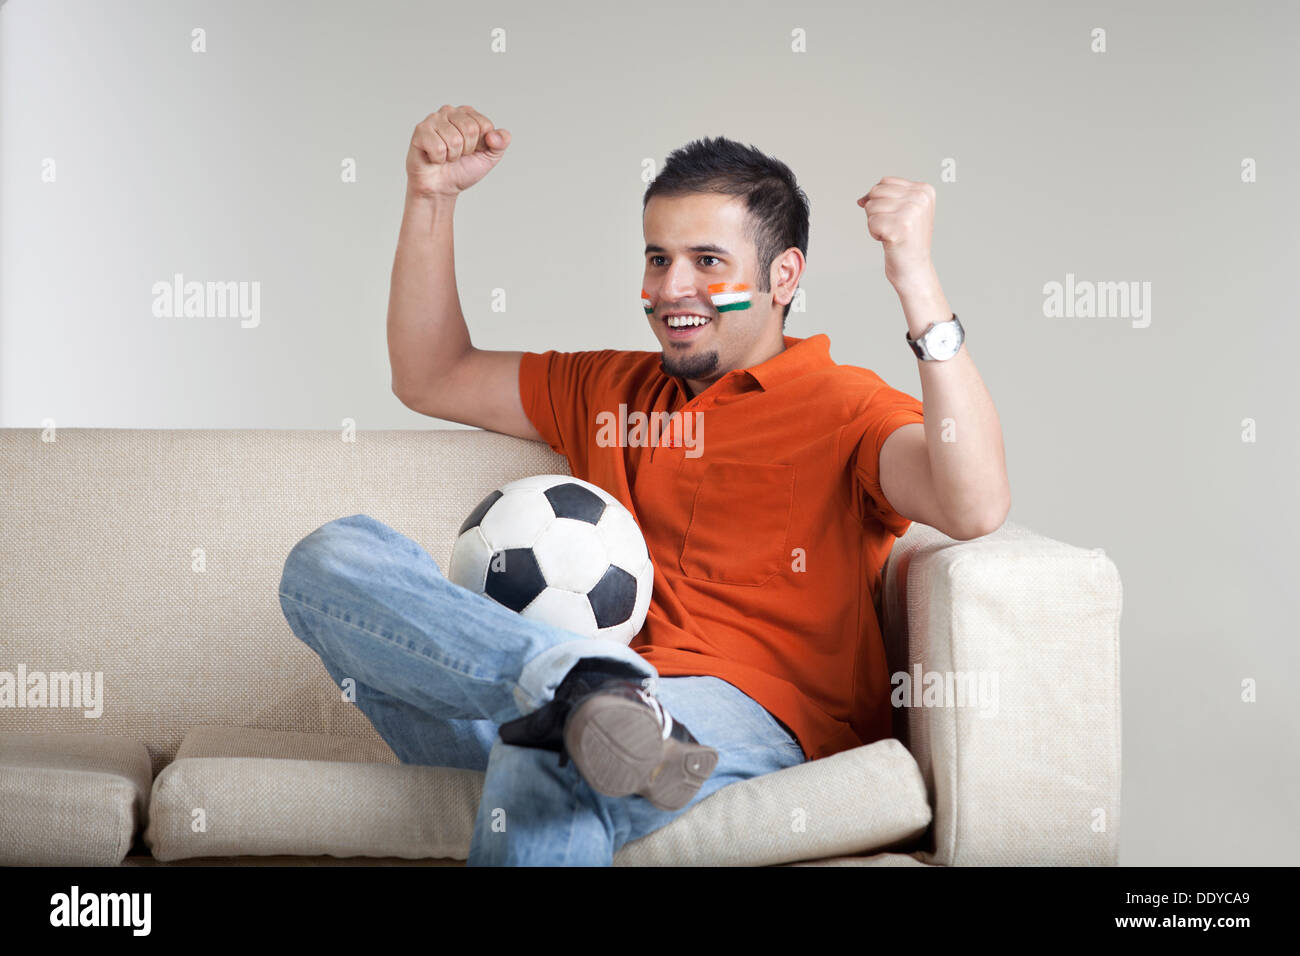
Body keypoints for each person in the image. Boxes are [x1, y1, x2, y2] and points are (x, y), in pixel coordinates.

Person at [278, 104, 1011, 866]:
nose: (672, 288)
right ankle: (578, 688)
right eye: (658, 259)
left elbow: (975, 504)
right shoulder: (609, 388)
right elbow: (431, 375)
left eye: (707, 261)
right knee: (329, 560)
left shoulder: (843, 405)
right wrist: (431, 195)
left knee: (558, 756)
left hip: (755, 714)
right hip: (581, 702)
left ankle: (588, 710)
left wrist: (915, 278)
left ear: (783, 276)